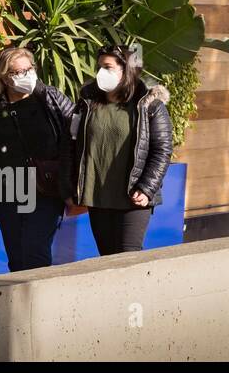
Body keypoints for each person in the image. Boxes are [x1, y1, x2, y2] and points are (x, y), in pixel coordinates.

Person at [0, 45, 76, 271]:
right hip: (5, 189)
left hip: (45, 190)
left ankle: (39, 303)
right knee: (17, 257)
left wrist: (72, 179)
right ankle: (20, 304)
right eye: (18, 72)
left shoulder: (49, 98)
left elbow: (76, 132)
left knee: (36, 253)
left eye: (29, 69)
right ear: (4, 77)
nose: (26, 75)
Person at [73, 45, 173, 255]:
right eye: (99, 67)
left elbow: (161, 150)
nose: (101, 72)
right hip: (98, 196)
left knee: (129, 255)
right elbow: (71, 143)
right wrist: (69, 187)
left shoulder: (149, 105)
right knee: (107, 258)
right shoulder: (87, 103)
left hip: (132, 196)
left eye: (108, 67)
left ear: (125, 69)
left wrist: (147, 188)